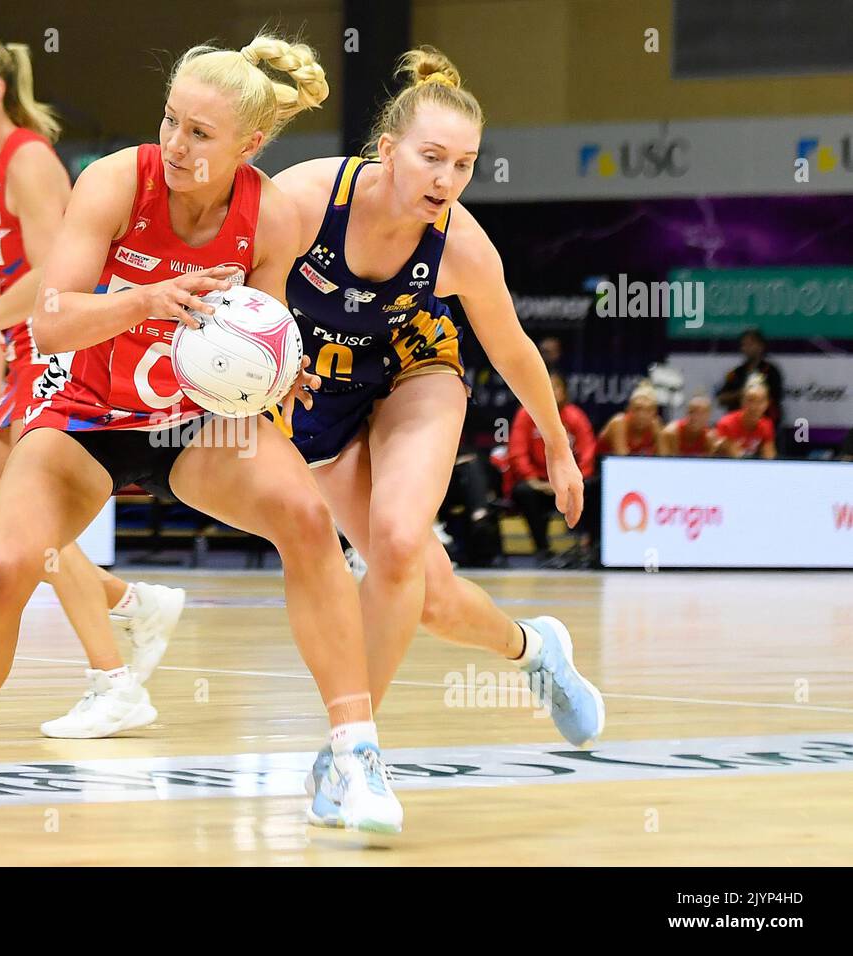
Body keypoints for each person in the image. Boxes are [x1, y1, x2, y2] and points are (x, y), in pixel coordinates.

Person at [0, 34, 404, 836]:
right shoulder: (115, 181)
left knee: (308, 523)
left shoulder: (274, 214)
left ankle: (352, 759)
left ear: (249, 145)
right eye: (170, 120)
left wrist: (275, 377)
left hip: (193, 421)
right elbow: (52, 321)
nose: (175, 143)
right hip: (84, 406)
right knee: (5, 565)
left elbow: (261, 328)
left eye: (199, 133)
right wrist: (145, 301)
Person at [272, 47, 604, 795]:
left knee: (393, 546)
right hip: (315, 396)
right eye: (431, 159)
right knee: (435, 598)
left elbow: (513, 349)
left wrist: (556, 442)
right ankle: (536, 651)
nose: (447, 180)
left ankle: (350, 756)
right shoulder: (304, 197)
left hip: (415, 375)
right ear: (386, 152)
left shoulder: (460, 245)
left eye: (464, 164)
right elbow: (249, 286)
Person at [0, 31, 185, 739]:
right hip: (22, 348)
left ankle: (114, 679)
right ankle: (131, 603)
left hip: (63, 347)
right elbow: (11, 280)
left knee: (24, 530)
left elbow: (51, 277)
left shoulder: (28, 159)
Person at [509, 372, 596, 561]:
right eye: (546, 385)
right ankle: (543, 549)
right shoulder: (525, 414)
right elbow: (518, 452)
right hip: (538, 483)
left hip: (569, 483)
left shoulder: (575, 416)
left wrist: (576, 479)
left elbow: (588, 453)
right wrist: (533, 480)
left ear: (564, 392)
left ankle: (590, 546)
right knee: (523, 491)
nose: (551, 391)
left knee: (593, 487)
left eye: (556, 387)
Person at [716, 328, 783, 425]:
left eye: (750, 344)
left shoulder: (771, 371)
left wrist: (755, 398)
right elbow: (722, 398)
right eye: (744, 345)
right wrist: (741, 394)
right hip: (738, 424)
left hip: (764, 422)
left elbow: (776, 397)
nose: (746, 348)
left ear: (761, 346)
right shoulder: (735, 372)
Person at [596, 381, 662, 456]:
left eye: (648, 410)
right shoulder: (618, 423)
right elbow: (623, 461)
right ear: (629, 409)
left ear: (655, 413)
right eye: (638, 409)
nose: (642, 415)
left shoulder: (656, 425)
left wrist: (659, 436)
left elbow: (666, 461)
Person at [717, 379, 777, 459]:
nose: (754, 407)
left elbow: (769, 456)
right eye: (750, 400)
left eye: (760, 401)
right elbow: (736, 456)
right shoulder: (727, 423)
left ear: (767, 404)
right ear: (742, 401)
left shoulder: (766, 424)